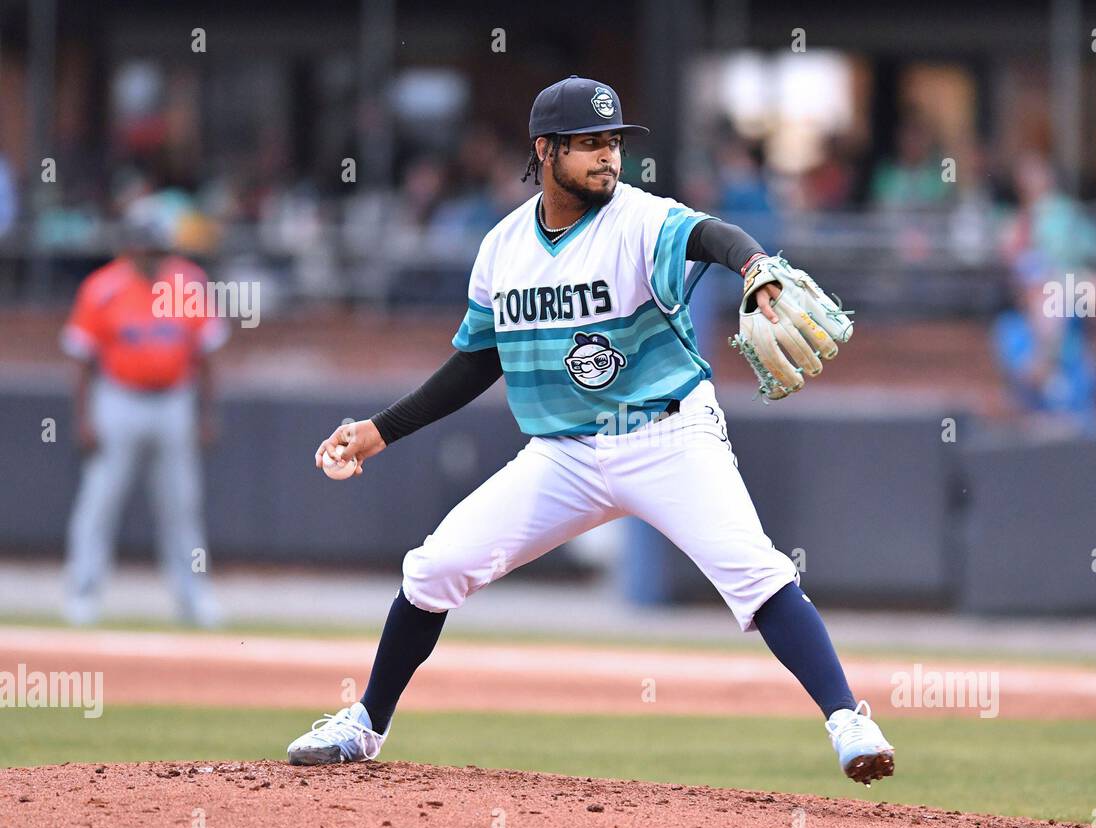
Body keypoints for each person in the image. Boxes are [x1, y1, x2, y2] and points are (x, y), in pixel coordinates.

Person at [286, 77, 895, 787]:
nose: (609, 157)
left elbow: (712, 235)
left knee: (757, 576)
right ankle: (364, 724)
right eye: (589, 145)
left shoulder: (638, 218)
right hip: (565, 453)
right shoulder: (502, 248)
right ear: (545, 151)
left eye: (614, 142)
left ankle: (848, 720)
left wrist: (757, 267)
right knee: (434, 568)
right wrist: (381, 431)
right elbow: (480, 360)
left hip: (668, 434)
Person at [60, 199, 227, 626]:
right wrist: (84, 418)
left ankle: (194, 599)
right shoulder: (102, 288)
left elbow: (207, 356)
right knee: (100, 501)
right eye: (145, 247)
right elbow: (81, 359)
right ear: (129, 248)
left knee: (182, 505)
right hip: (118, 400)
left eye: (158, 248)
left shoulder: (188, 283)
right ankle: (83, 593)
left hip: (174, 400)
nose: (152, 256)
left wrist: (207, 415)